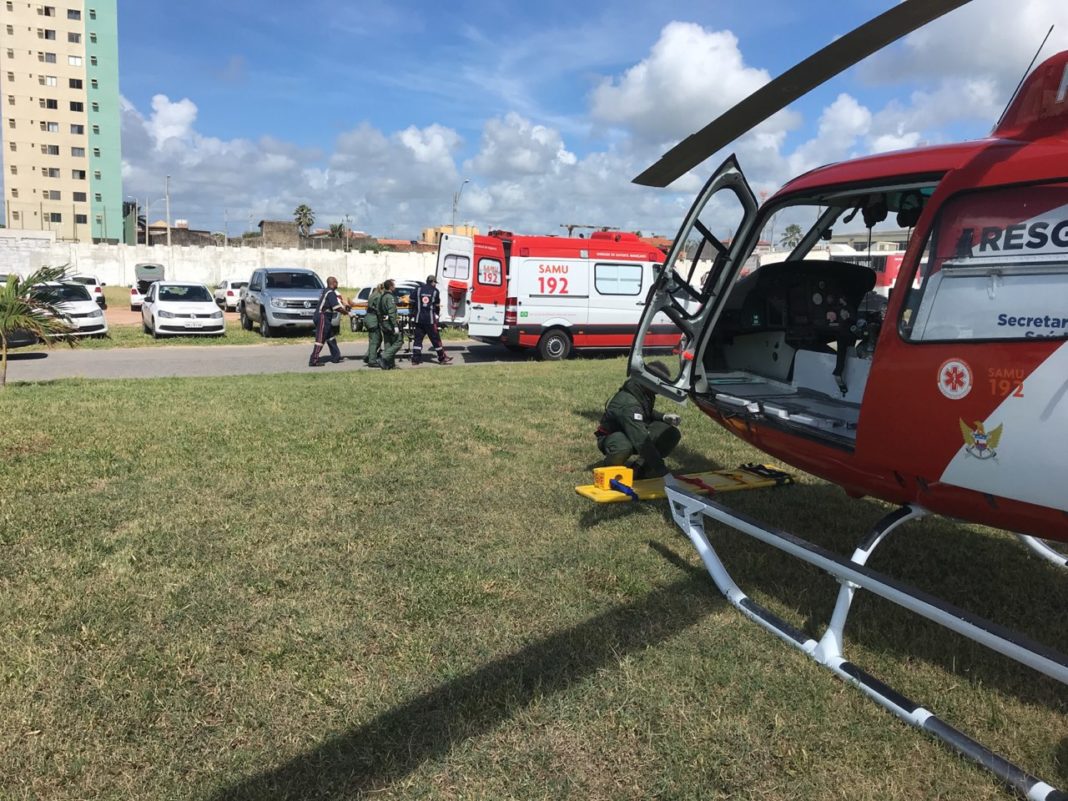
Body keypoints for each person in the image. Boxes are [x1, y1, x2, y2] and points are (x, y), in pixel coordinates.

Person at [594, 363, 681, 479]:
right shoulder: (629, 404)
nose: (662, 388)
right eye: (660, 384)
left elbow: (644, 412)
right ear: (650, 381)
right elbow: (642, 442)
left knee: (671, 433)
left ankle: (639, 469)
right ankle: (609, 470)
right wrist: (663, 472)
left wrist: (663, 416)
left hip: (633, 430)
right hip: (613, 437)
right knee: (623, 447)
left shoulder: (643, 391)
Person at [410, 274, 453, 365]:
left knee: (418, 340)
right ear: (433, 282)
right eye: (435, 283)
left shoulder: (418, 289)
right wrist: (437, 314)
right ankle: (441, 358)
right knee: (436, 340)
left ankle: (415, 360)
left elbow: (411, 300)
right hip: (430, 320)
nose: (435, 284)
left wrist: (414, 311)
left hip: (418, 319)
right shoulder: (435, 291)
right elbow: (437, 306)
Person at [308, 276, 348, 367]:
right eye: (336, 282)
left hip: (326, 317)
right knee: (320, 339)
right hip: (323, 316)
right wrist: (346, 313)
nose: (337, 284)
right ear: (333, 283)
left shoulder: (328, 292)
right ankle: (314, 360)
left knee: (331, 338)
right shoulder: (330, 292)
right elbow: (336, 307)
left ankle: (336, 357)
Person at [376, 278, 404, 370]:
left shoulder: (381, 296)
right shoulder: (390, 297)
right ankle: (384, 358)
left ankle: (389, 365)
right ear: (391, 287)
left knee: (388, 343)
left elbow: (378, 310)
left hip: (383, 322)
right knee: (399, 341)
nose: (395, 287)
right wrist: (395, 326)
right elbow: (392, 313)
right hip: (390, 323)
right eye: (394, 285)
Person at [363, 282, 384, 367]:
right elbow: (379, 309)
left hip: (369, 318)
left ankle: (368, 356)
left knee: (376, 339)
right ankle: (372, 361)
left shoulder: (374, 293)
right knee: (375, 340)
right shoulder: (379, 296)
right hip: (373, 320)